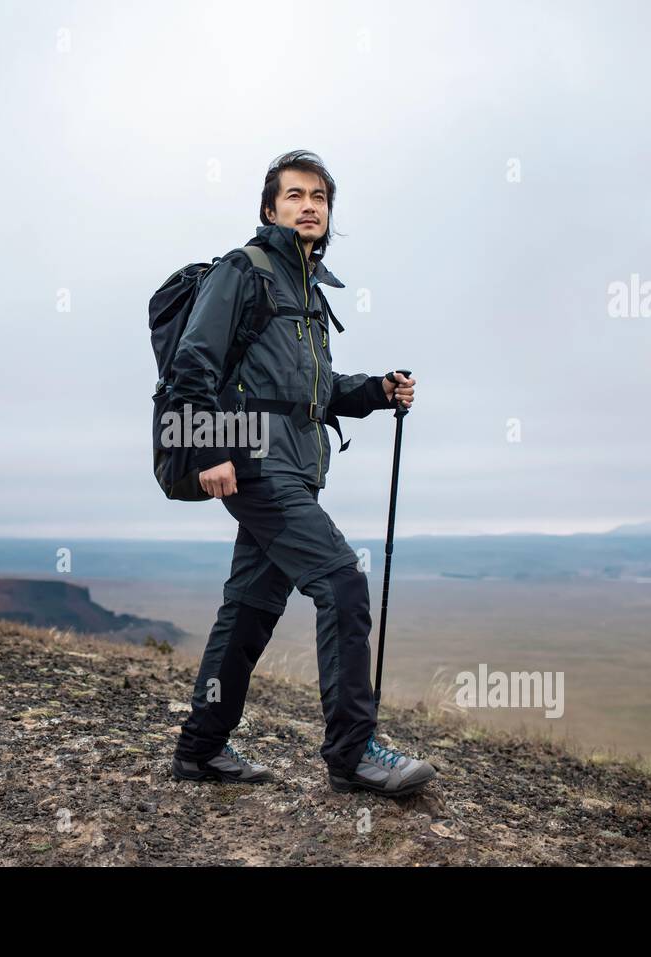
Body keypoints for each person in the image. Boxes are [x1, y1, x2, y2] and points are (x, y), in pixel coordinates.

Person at [168, 150, 436, 797]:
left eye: (319, 196)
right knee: (342, 580)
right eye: (294, 195)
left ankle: (201, 748)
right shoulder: (245, 270)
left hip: (296, 463)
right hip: (256, 461)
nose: (309, 205)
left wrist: (375, 389)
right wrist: (209, 452)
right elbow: (193, 363)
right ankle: (353, 752)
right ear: (270, 209)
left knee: (251, 608)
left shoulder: (309, 294)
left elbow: (310, 394)